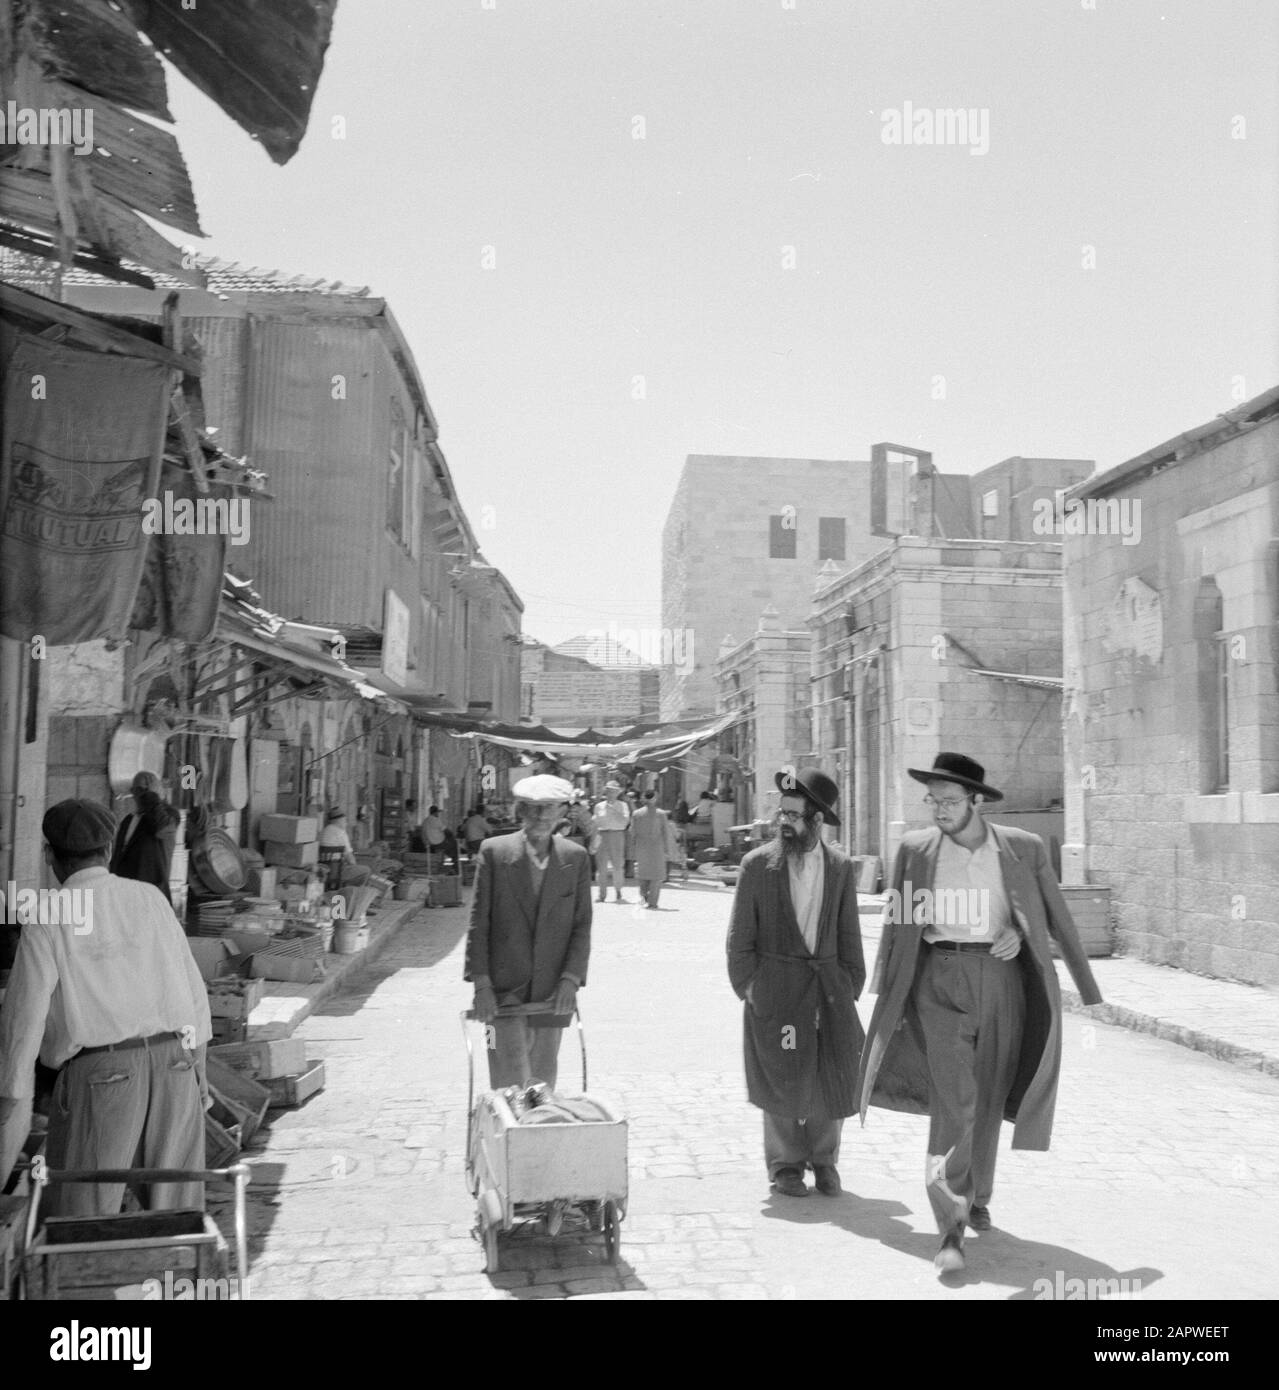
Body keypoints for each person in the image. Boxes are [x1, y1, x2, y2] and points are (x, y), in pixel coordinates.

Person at [855, 752, 1103, 1275]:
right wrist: (889, 985)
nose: (939, 809)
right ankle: (950, 1225)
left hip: (1002, 979)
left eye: (949, 801)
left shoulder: (1021, 848)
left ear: (974, 801)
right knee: (955, 1100)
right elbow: (896, 919)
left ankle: (977, 1195)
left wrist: (1022, 934)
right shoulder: (914, 849)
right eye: (933, 800)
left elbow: (1051, 914)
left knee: (989, 1094)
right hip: (938, 980)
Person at [0, 800, 212, 1215]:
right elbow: (193, 988)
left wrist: (10, 1094)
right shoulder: (149, 897)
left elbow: (24, 1017)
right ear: (109, 851)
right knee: (177, 1217)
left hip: (102, 1077)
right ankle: (177, 1279)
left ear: (49, 856)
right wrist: (199, 1071)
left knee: (84, 1217)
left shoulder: (49, 913)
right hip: (175, 1065)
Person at [727, 769, 865, 1198]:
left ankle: (824, 1162)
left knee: (830, 1071)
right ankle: (786, 1165)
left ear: (818, 820)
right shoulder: (756, 866)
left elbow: (849, 932)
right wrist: (750, 986)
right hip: (776, 990)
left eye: (794, 815)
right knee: (780, 1071)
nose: (783, 822)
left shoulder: (841, 868)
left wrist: (848, 985)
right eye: (781, 813)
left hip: (826, 989)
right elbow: (739, 937)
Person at [464, 775, 592, 1088]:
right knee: (505, 1081)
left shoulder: (575, 858)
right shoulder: (493, 852)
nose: (539, 817)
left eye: (548, 809)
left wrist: (570, 980)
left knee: (542, 1083)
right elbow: (479, 923)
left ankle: (535, 1135)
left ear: (561, 811)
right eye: (532, 809)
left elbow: (581, 926)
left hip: (552, 994)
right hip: (499, 996)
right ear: (519, 810)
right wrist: (481, 985)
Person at [109, 771, 180, 905]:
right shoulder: (128, 821)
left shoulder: (170, 816)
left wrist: (152, 798)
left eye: (144, 791)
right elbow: (117, 858)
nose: (141, 795)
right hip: (126, 895)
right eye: (137, 790)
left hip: (152, 896)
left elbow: (162, 829)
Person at [591, 780, 631, 904]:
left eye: (613, 791)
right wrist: (593, 841)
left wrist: (613, 810)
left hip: (617, 835)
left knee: (618, 865)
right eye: (609, 790)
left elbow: (625, 822)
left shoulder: (622, 805)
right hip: (602, 835)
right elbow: (595, 824)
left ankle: (618, 891)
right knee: (601, 867)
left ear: (618, 793)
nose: (611, 793)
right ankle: (601, 894)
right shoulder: (599, 806)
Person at [630, 791, 671, 910]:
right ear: (655, 799)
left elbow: (632, 832)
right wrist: (667, 849)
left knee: (643, 874)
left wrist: (632, 848)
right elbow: (665, 833)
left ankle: (644, 897)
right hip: (656, 848)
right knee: (656, 876)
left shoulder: (636, 814)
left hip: (641, 848)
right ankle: (653, 902)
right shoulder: (661, 814)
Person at [318, 808, 372, 886]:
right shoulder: (340, 832)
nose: (346, 823)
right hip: (337, 871)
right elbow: (351, 860)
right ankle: (350, 892)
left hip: (323, 870)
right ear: (340, 820)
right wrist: (354, 866)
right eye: (345, 821)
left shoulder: (324, 830)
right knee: (366, 870)